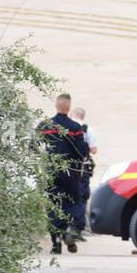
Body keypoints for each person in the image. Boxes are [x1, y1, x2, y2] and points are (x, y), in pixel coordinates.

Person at [37, 93, 90, 254]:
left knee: (53, 205)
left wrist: (45, 156)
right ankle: (69, 231)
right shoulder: (75, 127)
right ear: (69, 107)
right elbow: (83, 152)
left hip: (52, 170)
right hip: (71, 172)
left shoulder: (45, 125)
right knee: (73, 203)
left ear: (56, 106)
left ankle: (56, 243)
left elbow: (32, 145)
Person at [71, 106, 98, 240]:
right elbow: (93, 150)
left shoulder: (66, 127)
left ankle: (64, 228)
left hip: (67, 167)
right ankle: (78, 229)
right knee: (81, 197)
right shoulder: (87, 129)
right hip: (82, 168)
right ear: (83, 117)